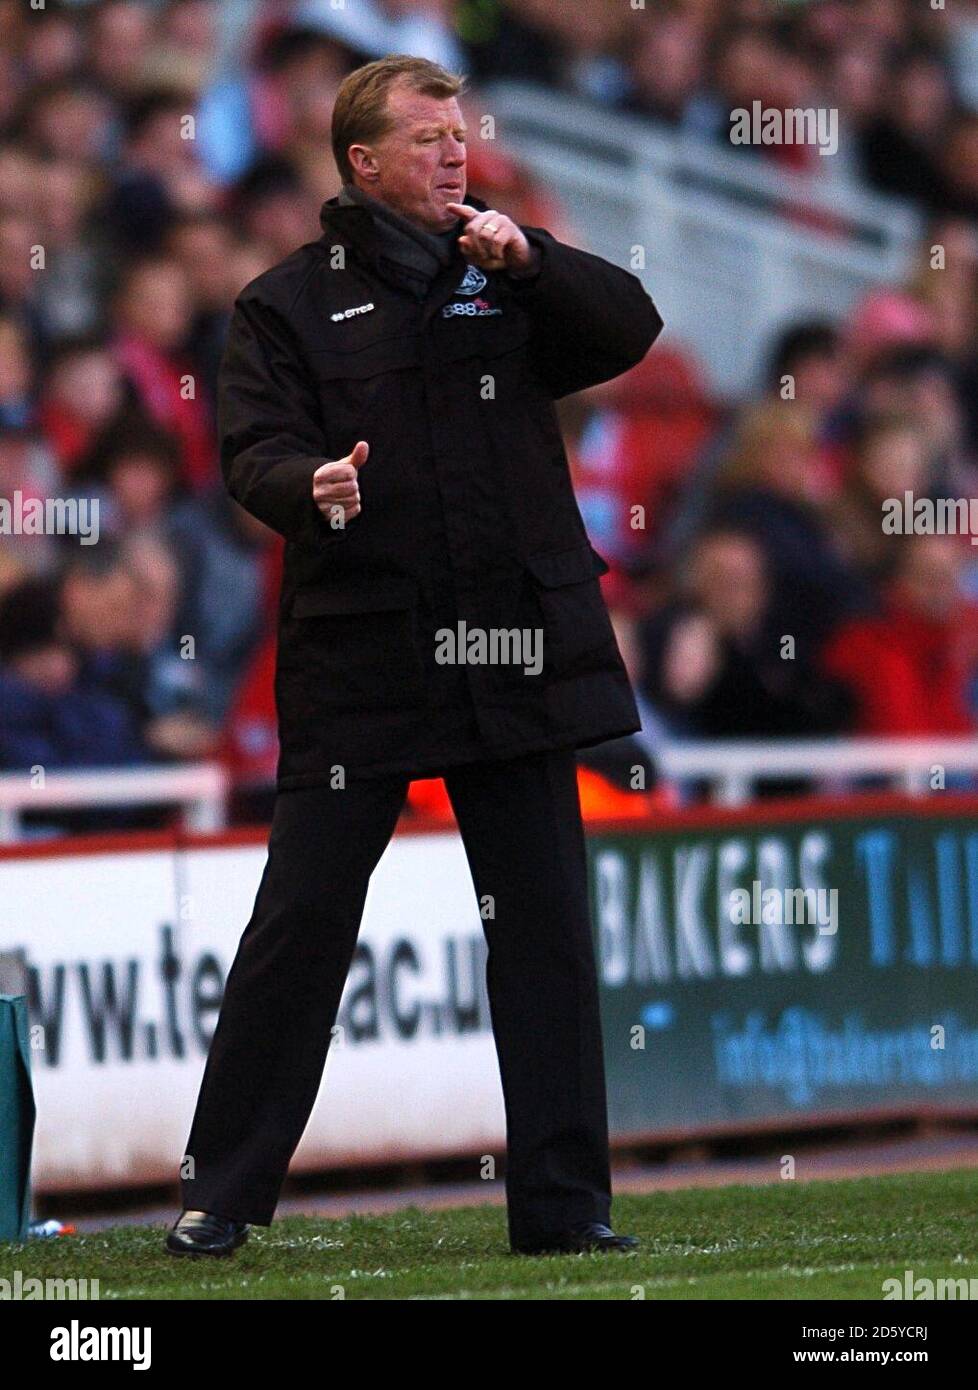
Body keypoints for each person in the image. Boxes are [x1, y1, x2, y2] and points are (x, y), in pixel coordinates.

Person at [166, 53, 662, 1261]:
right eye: (429, 136)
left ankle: (563, 1208)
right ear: (362, 162)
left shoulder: (506, 268)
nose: (456, 151)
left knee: (543, 929)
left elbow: (631, 329)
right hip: (367, 656)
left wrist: (532, 259)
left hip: (514, 649)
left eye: (462, 132)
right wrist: (309, 485)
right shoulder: (284, 303)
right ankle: (218, 1194)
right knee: (302, 924)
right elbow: (251, 451)